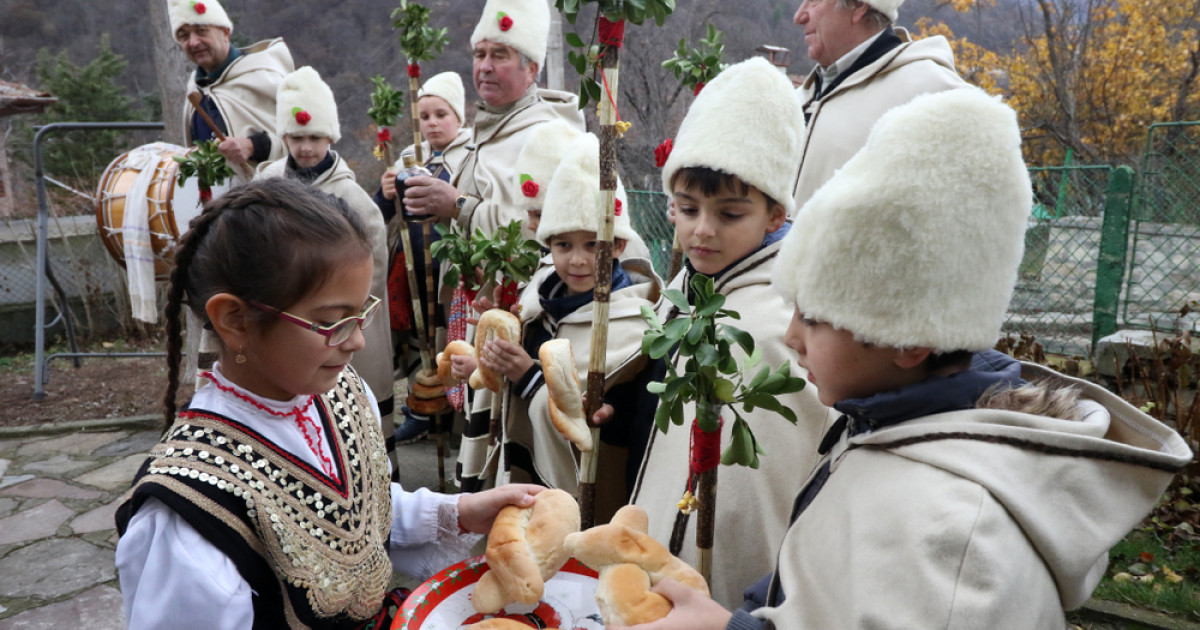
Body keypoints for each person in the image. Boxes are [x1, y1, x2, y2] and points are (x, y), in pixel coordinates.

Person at [617, 89, 1192, 630]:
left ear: (907, 339)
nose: (791, 335)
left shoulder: (951, 522)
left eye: (814, 317)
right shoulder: (891, 432)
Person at [114, 179, 544, 629]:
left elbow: (346, 513)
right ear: (234, 320)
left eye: (362, 313)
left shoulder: (333, 390)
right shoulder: (189, 517)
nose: (357, 340)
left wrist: (457, 513)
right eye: (330, 322)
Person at [630, 58, 837, 607]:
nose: (702, 230)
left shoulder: (778, 323)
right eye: (688, 208)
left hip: (724, 586)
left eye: (729, 214)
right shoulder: (694, 283)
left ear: (774, 216)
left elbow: (763, 488)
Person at [455, 132, 665, 520]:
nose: (579, 260)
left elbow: (589, 416)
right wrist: (489, 367)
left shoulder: (637, 321)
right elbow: (516, 375)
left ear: (618, 247)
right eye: (564, 245)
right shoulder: (539, 299)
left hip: (595, 484)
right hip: (523, 462)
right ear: (547, 244)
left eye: (594, 245)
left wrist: (526, 375)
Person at [254, 66, 397, 440]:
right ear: (284, 135)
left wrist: (345, 311)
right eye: (297, 137)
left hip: (342, 321)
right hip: (285, 316)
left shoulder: (352, 199)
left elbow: (374, 265)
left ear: (330, 137)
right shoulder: (266, 185)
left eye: (315, 137)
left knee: (355, 414)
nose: (305, 147)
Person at [397, 0, 585, 240]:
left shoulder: (548, 136)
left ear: (531, 69)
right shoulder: (488, 127)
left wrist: (458, 205)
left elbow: (543, 233)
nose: (485, 66)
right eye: (479, 55)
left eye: (499, 56)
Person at [788, 0, 966, 215]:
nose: (799, 17)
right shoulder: (796, 98)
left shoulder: (935, 95)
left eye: (814, 2)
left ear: (857, 6)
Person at [374, 71, 473, 444]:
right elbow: (382, 214)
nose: (432, 123)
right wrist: (386, 194)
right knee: (420, 342)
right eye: (425, 116)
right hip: (414, 270)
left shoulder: (471, 155)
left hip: (450, 270)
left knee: (451, 340)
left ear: (458, 117)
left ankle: (455, 420)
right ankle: (422, 409)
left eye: (441, 114)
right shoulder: (407, 159)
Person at [170, 0, 294, 174]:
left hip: (271, 197)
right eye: (184, 36)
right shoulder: (195, 89)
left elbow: (308, 144)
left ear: (225, 33)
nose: (194, 42)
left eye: (202, 31)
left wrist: (253, 146)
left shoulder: (265, 76)